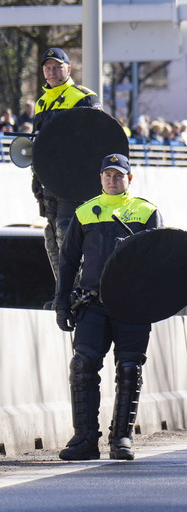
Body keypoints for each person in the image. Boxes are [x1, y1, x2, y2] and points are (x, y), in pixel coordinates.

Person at [53, 154, 163, 461]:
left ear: (130, 179)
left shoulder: (146, 212)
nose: (113, 180)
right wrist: (62, 302)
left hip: (132, 306)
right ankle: (85, 439)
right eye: (108, 175)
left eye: (119, 176)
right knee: (82, 366)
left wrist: (155, 302)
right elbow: (68, 261)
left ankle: (121, 438)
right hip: (92, 305)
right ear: (100, 178)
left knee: (129, 369)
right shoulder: (85, 212)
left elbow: (160, 260)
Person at [31, 47, 102, 296]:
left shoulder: (84, 97)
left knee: (68, 232)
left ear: (68, 69)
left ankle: (81, 292)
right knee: (51, 235)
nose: (52, 72)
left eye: (57, 67)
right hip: (48, 180)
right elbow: (38, 144)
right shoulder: (41, 103)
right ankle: (64, 292)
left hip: (74, 181)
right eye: (48, 68)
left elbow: (98, 138)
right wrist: (36, 177)